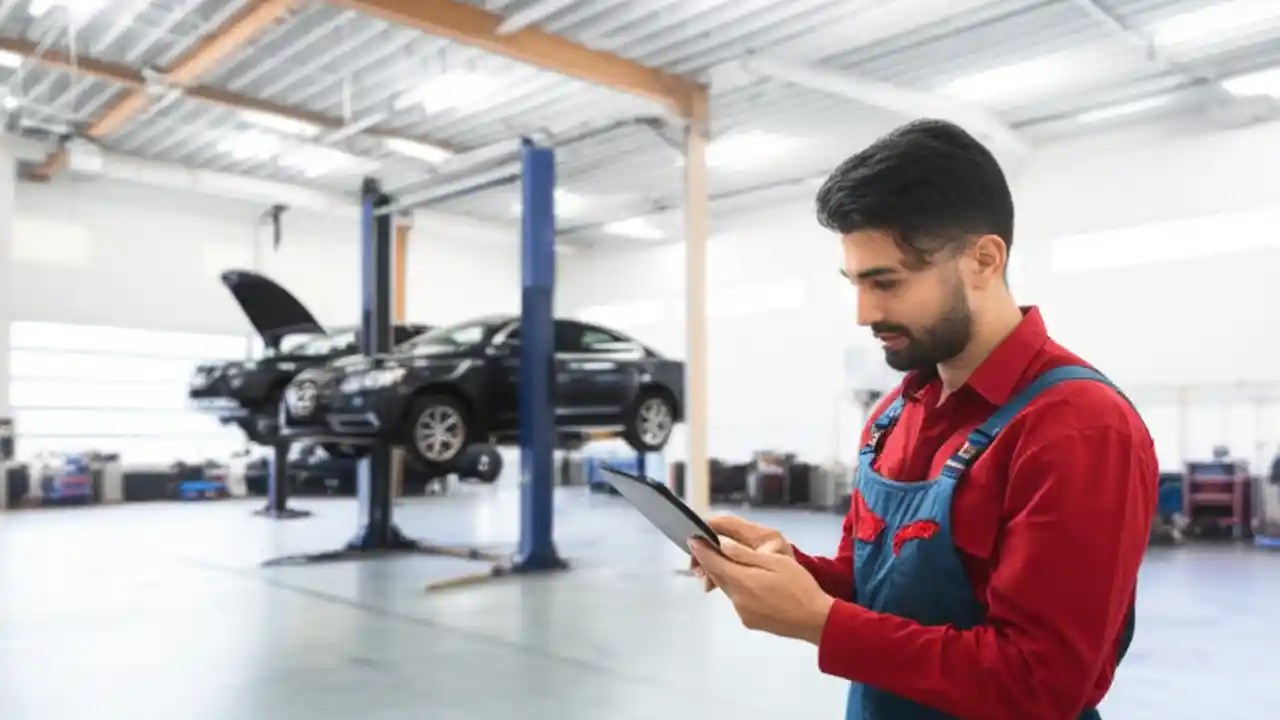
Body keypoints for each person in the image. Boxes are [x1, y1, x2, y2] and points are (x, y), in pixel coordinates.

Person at [688, 118, 1157, 720]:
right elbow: (879, 593)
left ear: (983, 260)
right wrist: (790, 572)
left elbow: (1039, 685)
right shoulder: (892, 417)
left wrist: (820, 623)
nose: (864, 313)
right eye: (855, 284)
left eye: (886, 283)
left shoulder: (1077, 429)